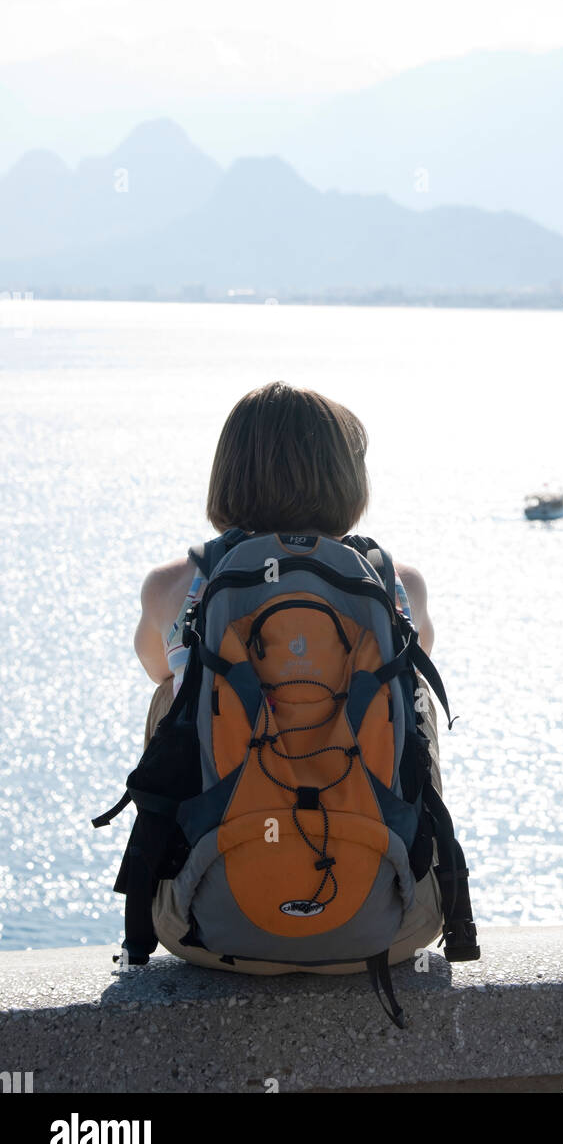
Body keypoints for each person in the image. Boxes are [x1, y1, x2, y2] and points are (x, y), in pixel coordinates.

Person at [132, 379, 443, 975]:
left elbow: (154, 668)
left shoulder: (173, 587)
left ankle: (202, 869)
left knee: (170, 694)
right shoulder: (395, 585)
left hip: (205, 928)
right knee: (414, 696)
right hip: (389, 927)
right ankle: (401, 874)